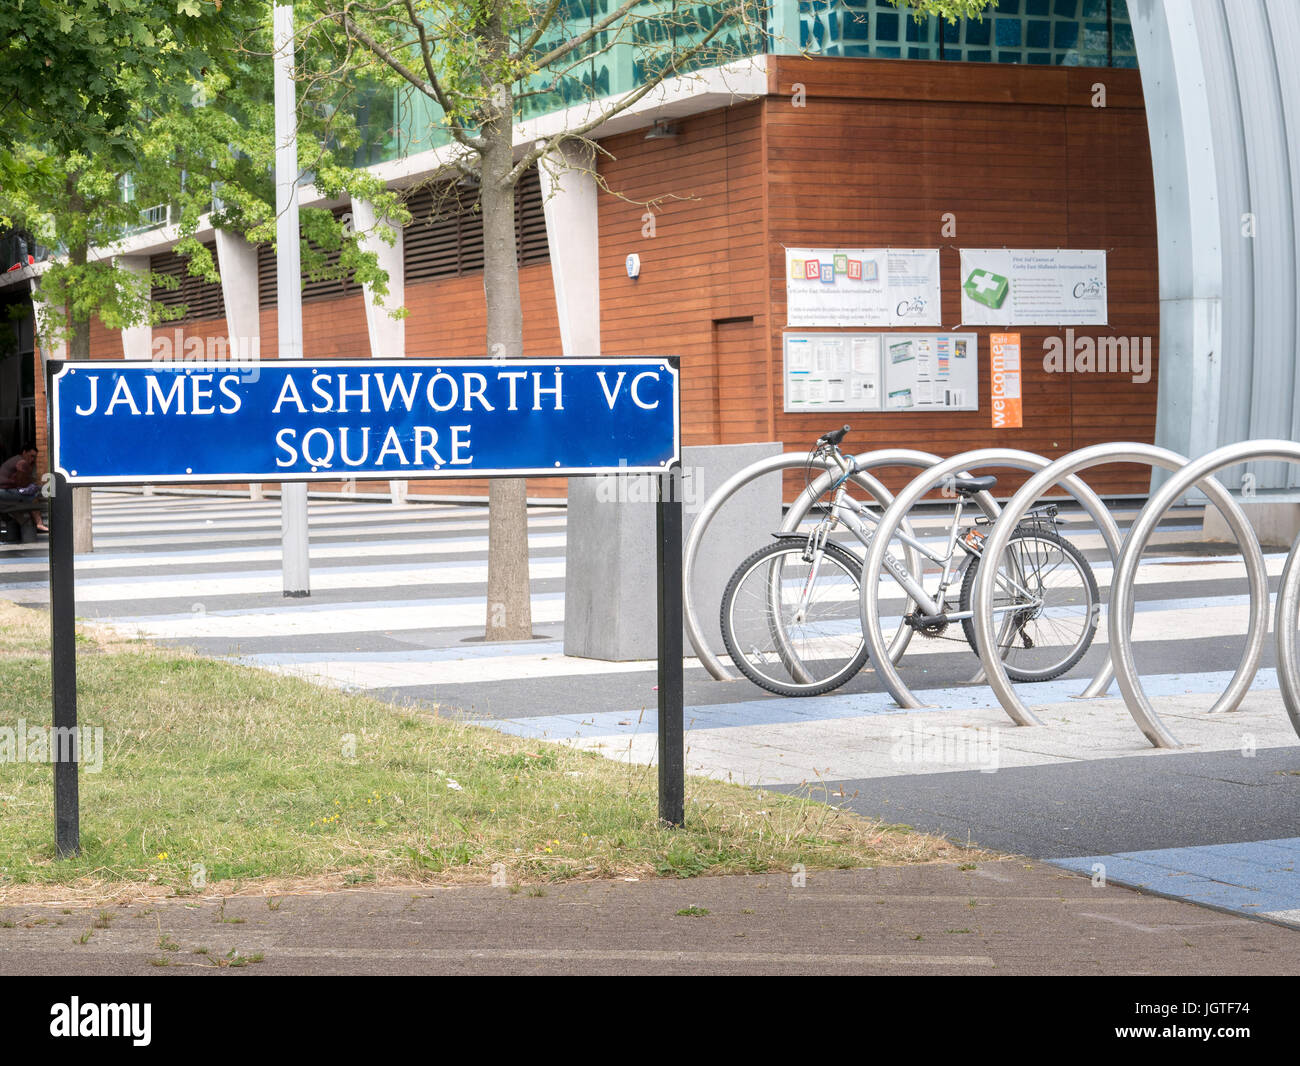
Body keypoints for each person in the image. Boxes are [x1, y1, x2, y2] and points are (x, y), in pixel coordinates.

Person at [0, 445, 48, 534]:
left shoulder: (15, 459)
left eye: (34, 457)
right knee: (33, 497)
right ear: (24, 452)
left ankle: (24, 524)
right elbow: (21, 481)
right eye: (31, 456)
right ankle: (39, 523)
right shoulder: (22, 462)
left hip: (5, 491)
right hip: (4, 491)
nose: (32, 459)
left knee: (19, 503)